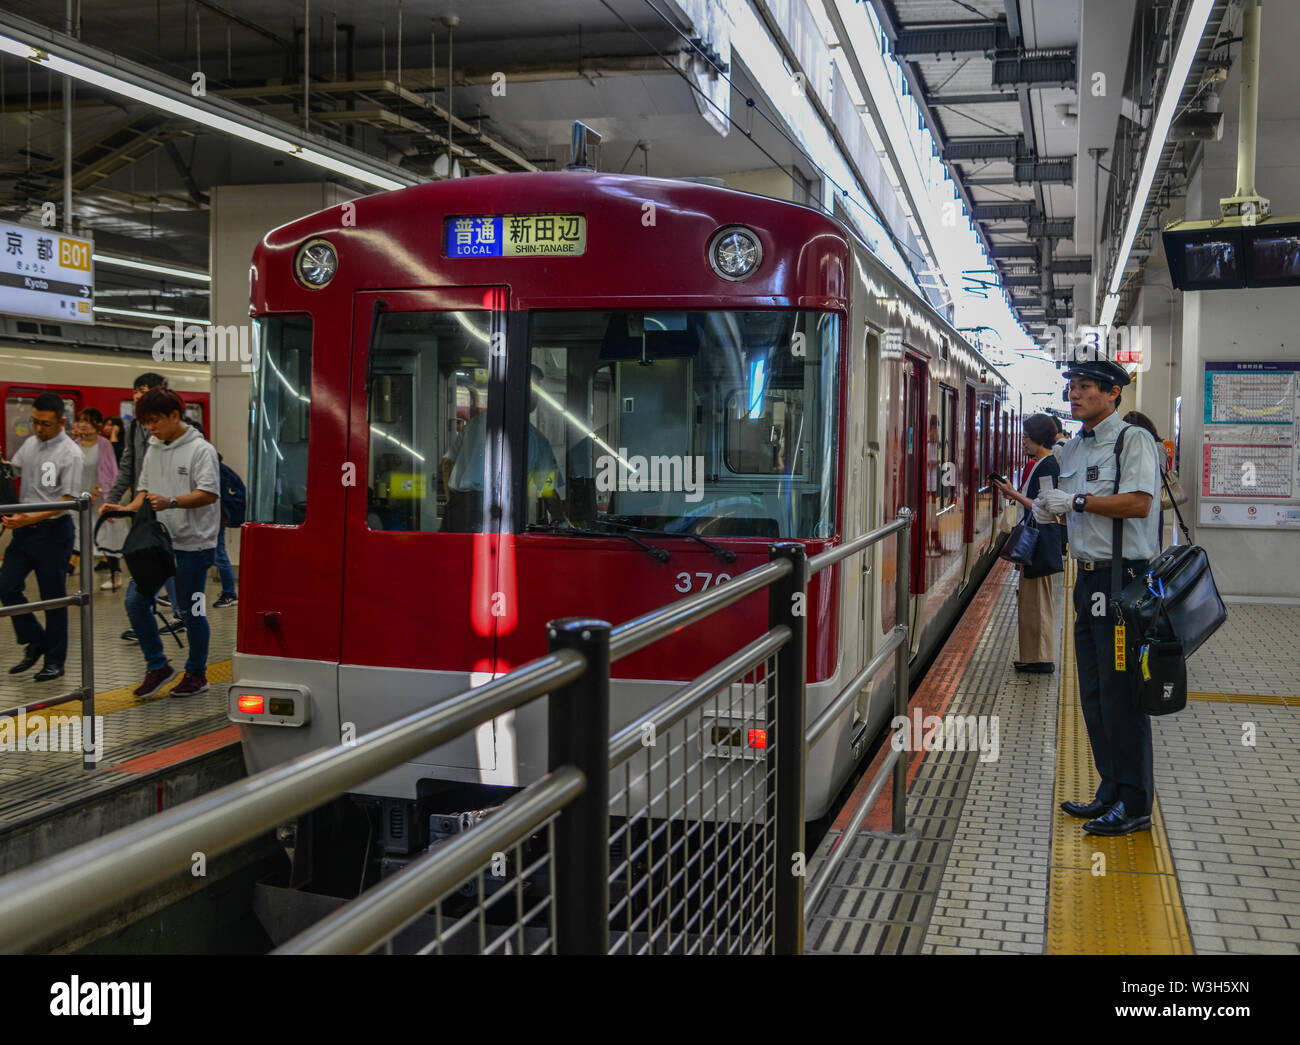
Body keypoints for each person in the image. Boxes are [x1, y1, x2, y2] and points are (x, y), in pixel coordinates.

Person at [1034, 359, 1160, 837]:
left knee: (1122, 692)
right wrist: (1053, 512)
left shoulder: (1134, 441)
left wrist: (1080, 502)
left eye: (1085, 387)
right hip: (1086, 580)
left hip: (1122, 579)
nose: (1075, 395)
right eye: (1072, 388)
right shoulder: (1072, 449)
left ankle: (1135, 802)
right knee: (1092, 691)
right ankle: (1110, 787)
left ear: (1112, 393)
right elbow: (1072, 508)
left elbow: (1138, 502)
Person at [103, 389, 221, 698]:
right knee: (135, 602)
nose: (151, 428)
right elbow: (144, 492)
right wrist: (124, 509)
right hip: (157, 544)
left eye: (155, 421)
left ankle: (197, 673)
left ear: (174, 415)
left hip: (193, 546)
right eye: (146, 423)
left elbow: (208, 493)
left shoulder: (200, 450)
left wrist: (171, 502)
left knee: (190, 612)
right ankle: (158, 665)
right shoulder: (154, 448)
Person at [102, 373, 199, 641]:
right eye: (135, 390)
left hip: (179, 519)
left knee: (168, 567)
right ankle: (161, 618)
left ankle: (181, 616)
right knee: (151, 567)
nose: (137, 395)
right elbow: (128, 465)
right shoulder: (135, 427)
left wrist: (172, 501)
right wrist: (118, 501)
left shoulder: (190, 433)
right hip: (146, 509)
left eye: (143, 390)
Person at [0, 393, 85, 682]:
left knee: (53, 598)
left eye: (45, 424)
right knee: (6, 586)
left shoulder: (71, 454)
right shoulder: (30, 444)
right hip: (25, 532)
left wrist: (30, 517)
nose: (38, 428)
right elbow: (15, 470)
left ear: (62, 421)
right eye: (35, 422)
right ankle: (36, 640)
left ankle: (54, 660)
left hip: (54, 533)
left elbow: (66, 500)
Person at [440, 365, 564, 532]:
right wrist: (562, 521)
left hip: (460, 510)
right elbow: (548, 491)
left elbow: (447, 463)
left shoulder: (474, 424)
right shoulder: (536, 440)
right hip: (501, 512)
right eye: (536, 391)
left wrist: (451, 502)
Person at [992, 413, 1062, 674]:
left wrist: (1013, 494)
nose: (1023, 441)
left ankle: (1040, 658)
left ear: (1036, 437)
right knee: (1032, 602)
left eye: (1026, 436)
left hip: (1039, 544)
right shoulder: (1042, 463)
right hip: (1038, 542)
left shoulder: (1047, 467)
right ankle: (1034, 656)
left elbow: (1045, 508)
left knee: (1038, 603)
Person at [71, 408, 121, 591]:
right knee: (80, 536)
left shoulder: (104, 444)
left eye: (87, 421)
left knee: (106, 536)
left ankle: (116, 576)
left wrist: (98, 490)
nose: (82, 424)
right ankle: (84, 581)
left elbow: (112, 471)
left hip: (100, 498)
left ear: (97, 425)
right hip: (79, 498)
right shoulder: (74, 445)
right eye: (80, 420)